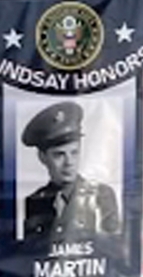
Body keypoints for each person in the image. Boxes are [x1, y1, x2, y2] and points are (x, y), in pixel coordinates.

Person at [20, 100, 122, 245]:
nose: (69, 162)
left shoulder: (102, 195)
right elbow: (30, 253)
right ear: (43, 157)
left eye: (74, 153)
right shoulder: (35, 202)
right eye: (59, 155)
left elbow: (114, 249)